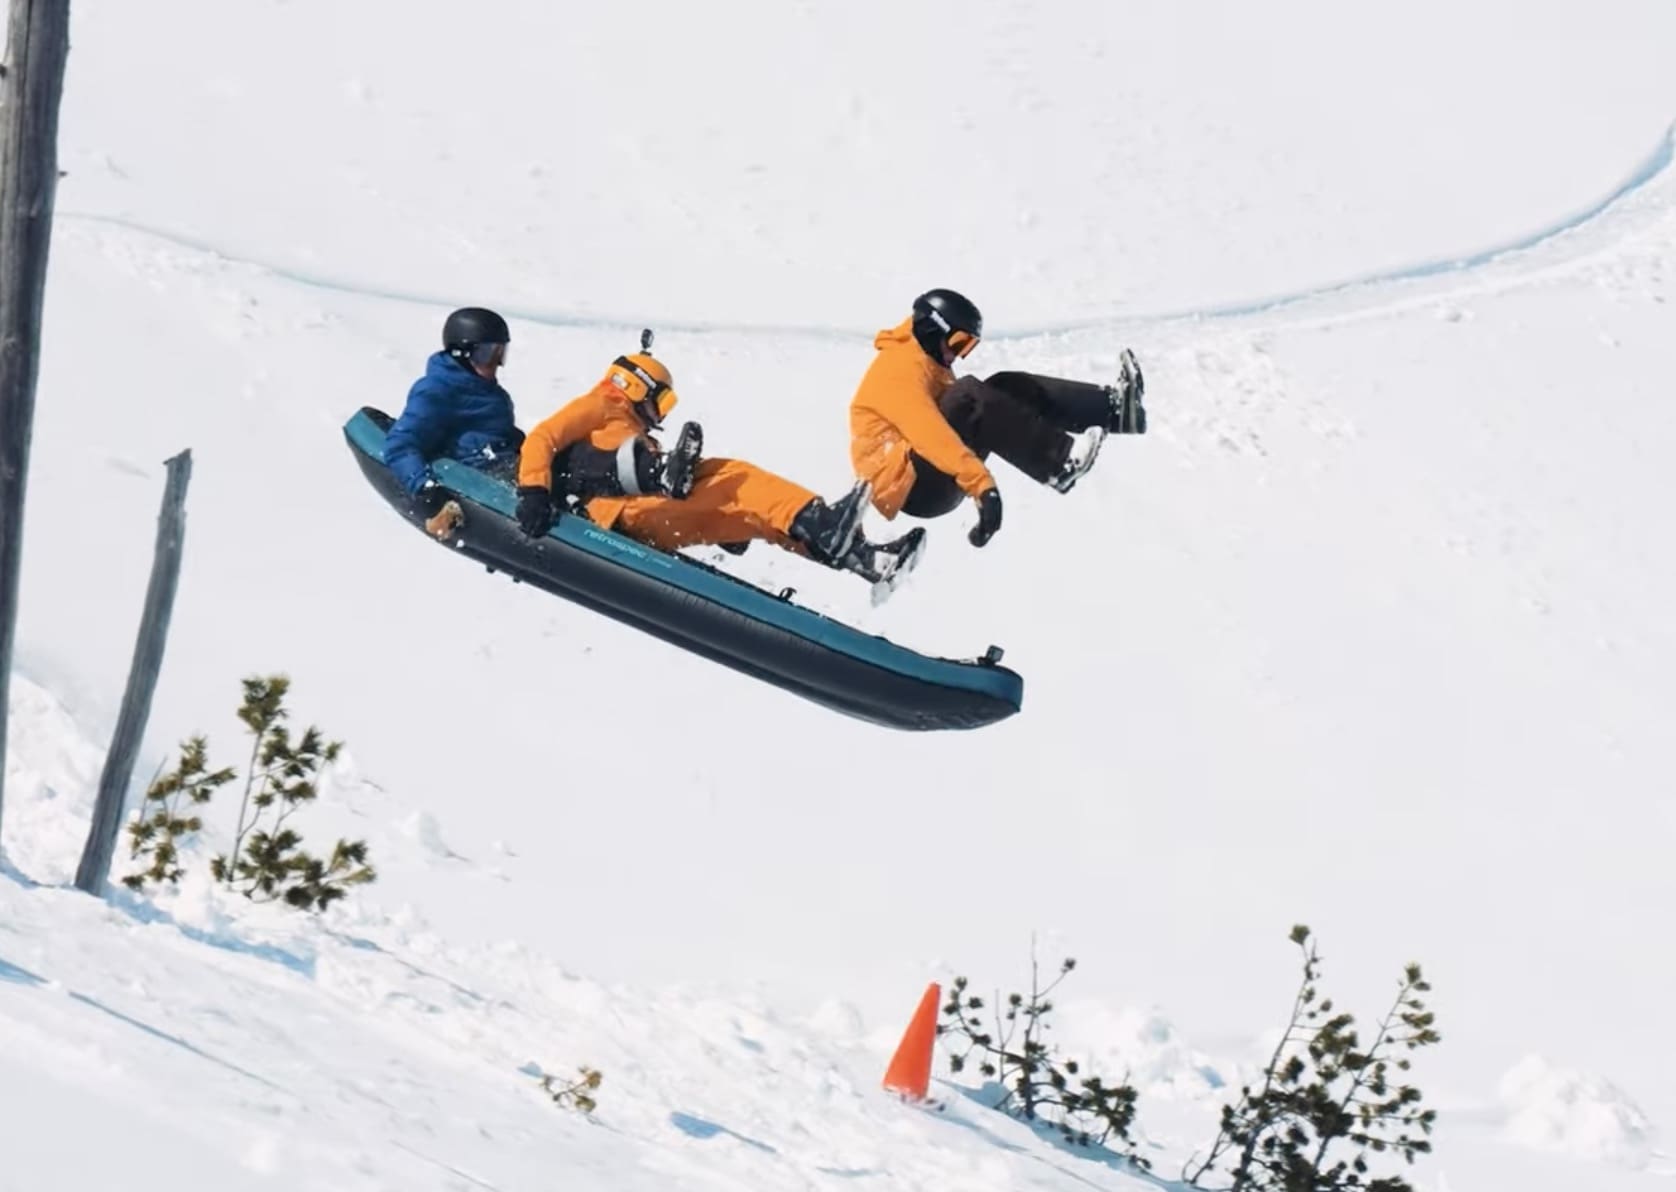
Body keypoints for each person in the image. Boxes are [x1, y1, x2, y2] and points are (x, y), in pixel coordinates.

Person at [514, 343, 919, 586]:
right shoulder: (600, 405)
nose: (661, 413)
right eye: (663, 400)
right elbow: (542, 438)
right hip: (618, 511)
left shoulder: (632, 427)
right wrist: (532, 490)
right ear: (635, 385)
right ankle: (827, 528)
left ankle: (860, 555)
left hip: (647, 506)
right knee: (737, 478)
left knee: (755, 510)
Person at [848, 288, 1146, 548]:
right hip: (911, 489)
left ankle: (1117, 410)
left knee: (1003, 387)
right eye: (958, 343)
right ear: (932, 329)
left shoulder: (929, 363)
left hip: (933, 473)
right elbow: (930, 434)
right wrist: (981, 485)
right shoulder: (897, 370)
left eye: (967, 347)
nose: (959, 355)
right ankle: (1060, 463)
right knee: (969, 395)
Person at [385, 308, 692, 540]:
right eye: (488, 354)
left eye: (499, 354)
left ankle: (660, 494)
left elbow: (498, 435)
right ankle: (655, 472)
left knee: (571, 453)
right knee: (575, 465)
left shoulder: (485, 390)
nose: (495, 364)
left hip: (506, 461)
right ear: (463, 354)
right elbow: (401, 445)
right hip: (488, 472)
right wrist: (429, 495)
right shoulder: (437, 389)